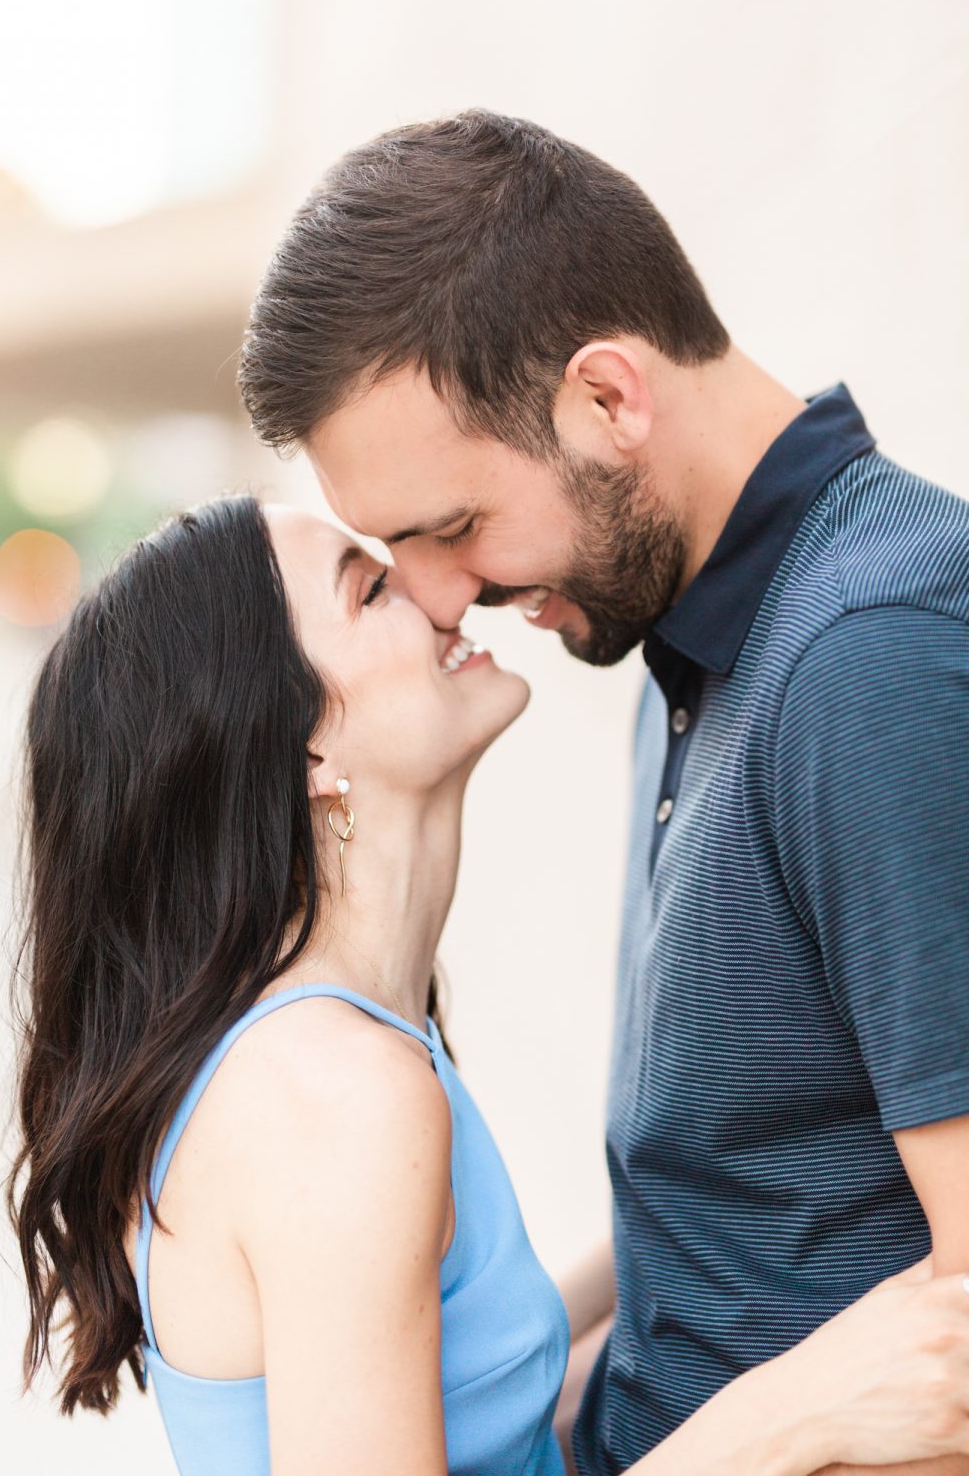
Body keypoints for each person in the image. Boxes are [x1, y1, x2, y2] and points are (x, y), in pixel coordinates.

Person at [237, 109, 969, 1476]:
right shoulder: (690, 647)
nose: (447, 597)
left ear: (610, 399)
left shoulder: (870, 657)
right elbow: (738, 1208)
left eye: (452, 530)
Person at [9, 497, 969, 1476]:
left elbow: (480, 1414)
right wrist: (792, 1415)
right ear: (303, 749)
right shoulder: (329, 1096)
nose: (436, 596)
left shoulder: (338, 1053)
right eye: (372, 588)